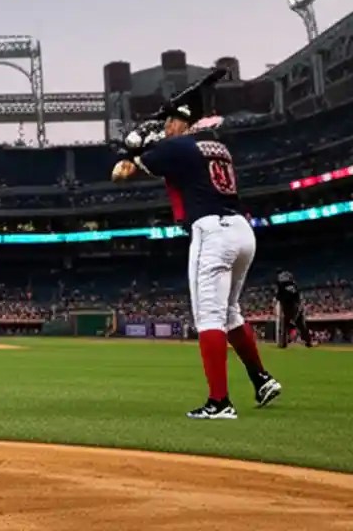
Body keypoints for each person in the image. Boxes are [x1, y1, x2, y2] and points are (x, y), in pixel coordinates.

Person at [111, 104, 281, 420]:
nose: (165, 130)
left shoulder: (176, 144)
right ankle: (262, 379)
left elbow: (123, 173)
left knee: (208, 318)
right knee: (230, 313)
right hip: (243, 230)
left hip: (211, 230)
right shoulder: (218, 146)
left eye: (169, 124)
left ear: (179, 123)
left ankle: (219, 402)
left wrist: (135, 143)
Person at [275, 269, 313, 348]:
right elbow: (297, 296)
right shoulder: (293, 283)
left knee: (285, 326)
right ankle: (308, 342)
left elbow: (279, 297)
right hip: (296, 306)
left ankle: (283, 343)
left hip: (289, 307)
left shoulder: (281, 284)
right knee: (302, 326)